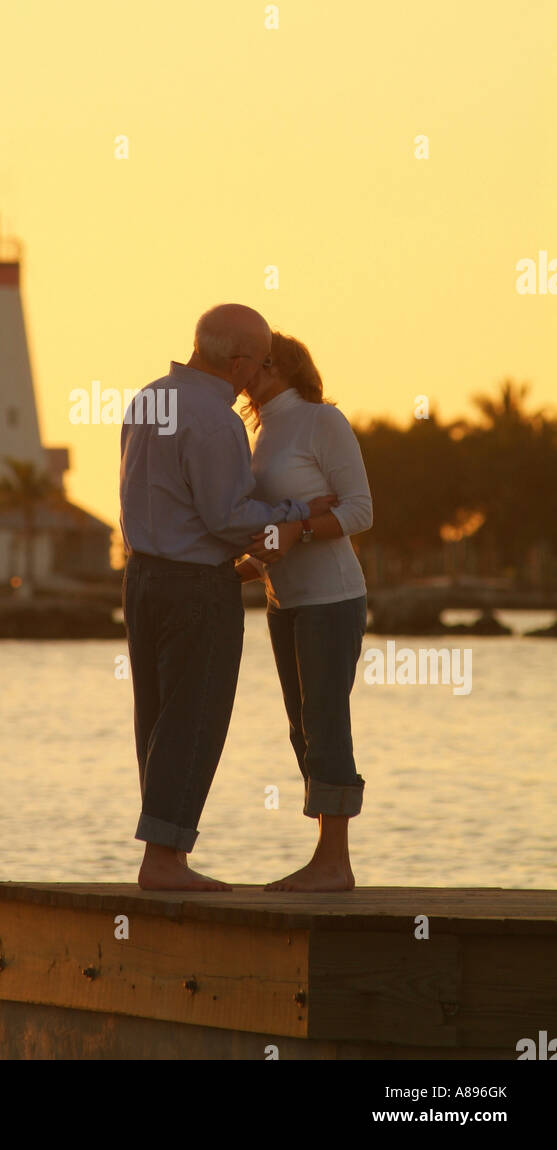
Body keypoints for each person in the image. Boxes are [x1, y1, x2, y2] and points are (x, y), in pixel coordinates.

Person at [119, 304, 338, 891]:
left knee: (157, 717)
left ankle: (165, 853)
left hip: (142, 579)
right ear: (239, 360)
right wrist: (299, 513)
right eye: (262, 360)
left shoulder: (149, 398)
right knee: (194, 717)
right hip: (194, 585)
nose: (261, 372)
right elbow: (228, 518)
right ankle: (163, 860)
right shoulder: (215, 421)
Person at [238, 332, 373, 891]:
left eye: (251, 358)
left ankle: (334, 865)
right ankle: (325, 858)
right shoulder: (263, 429)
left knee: (325, 725)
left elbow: (360, 511)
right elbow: (274, 529)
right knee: (301, 730)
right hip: (282, 601)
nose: (240, 366)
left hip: (332, 597)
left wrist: (296, 534)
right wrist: (233, 570)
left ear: (278, 367)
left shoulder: (321, 421)